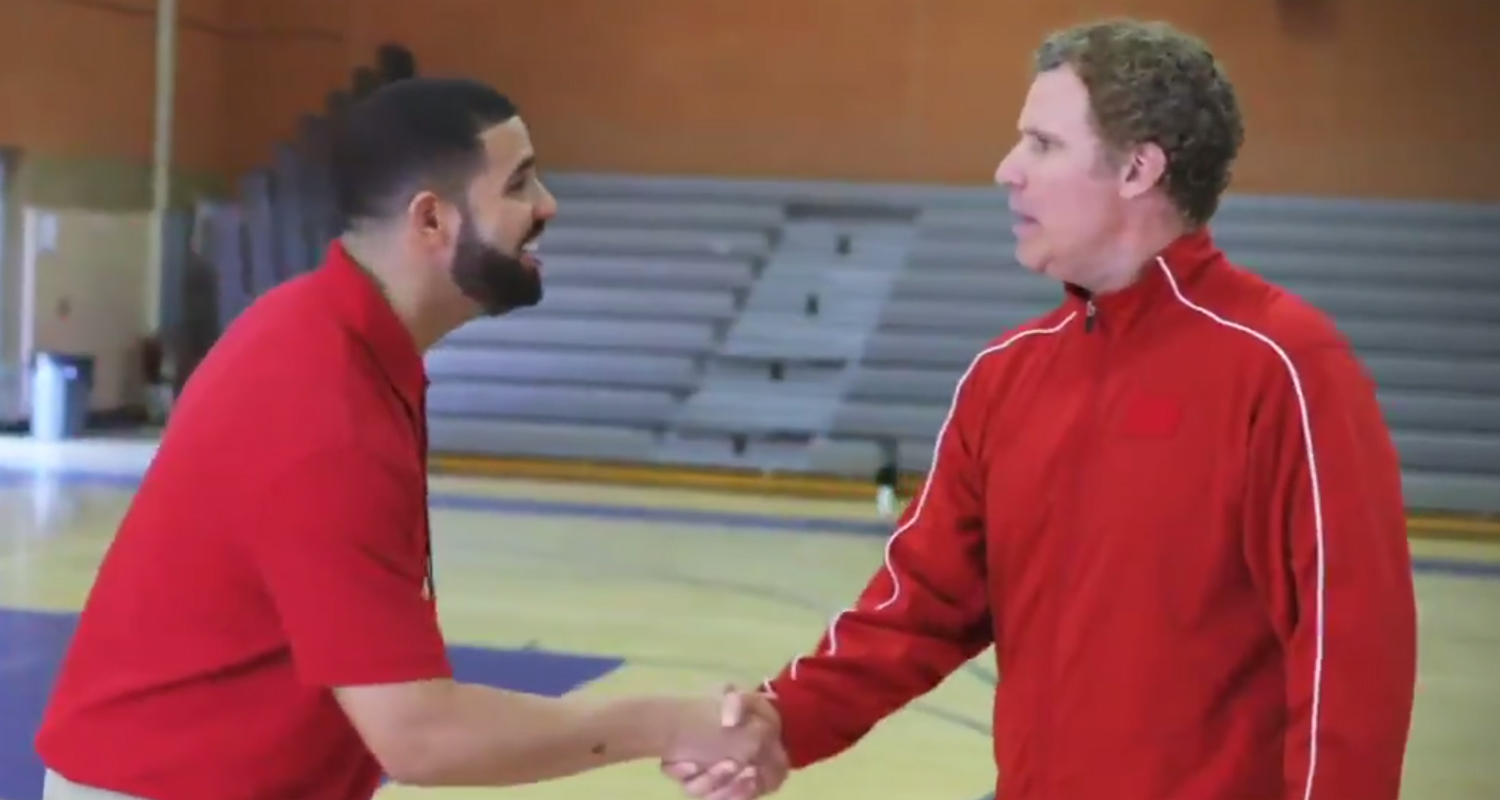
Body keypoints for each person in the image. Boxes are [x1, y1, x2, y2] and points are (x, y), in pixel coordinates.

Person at [667, 18, 1419, 800]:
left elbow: (1351, 652)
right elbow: (918, 607)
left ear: (1137, 168)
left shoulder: (1284, 365)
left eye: (1042, 144)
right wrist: (782, 722)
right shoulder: (1008, 374)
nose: (1006, 170)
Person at [35, 77, 781, 800]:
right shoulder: (322, 406)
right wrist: (661, 724)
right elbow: (420, 737)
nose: (547, 205)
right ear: (432, 221)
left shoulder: (336, 341)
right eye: (520, 183)